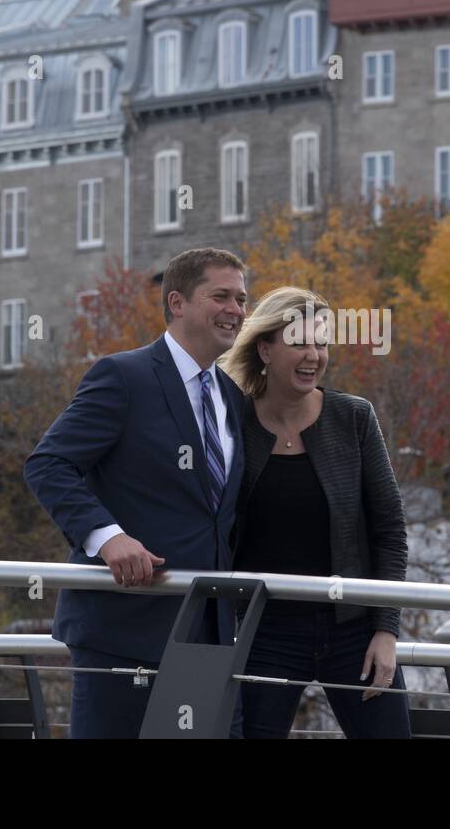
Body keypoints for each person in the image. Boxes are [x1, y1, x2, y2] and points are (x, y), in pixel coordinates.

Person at [24, 247, 249, 738]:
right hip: (122, 632)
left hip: (207, 639)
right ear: (178, 302)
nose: (236, 309)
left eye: (242, 298)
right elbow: (49, 463)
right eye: (221, 296)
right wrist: (106, 538)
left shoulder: (231, 398)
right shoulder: (123, 377)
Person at [223, 287, 412, 738]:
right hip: (263, 634)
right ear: (265, 349)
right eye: (300, 343)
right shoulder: (231, 422)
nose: (314, 355)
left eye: (321, 343)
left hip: (353, 632)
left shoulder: (354, 417)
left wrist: (386, 631)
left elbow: (390, 530)